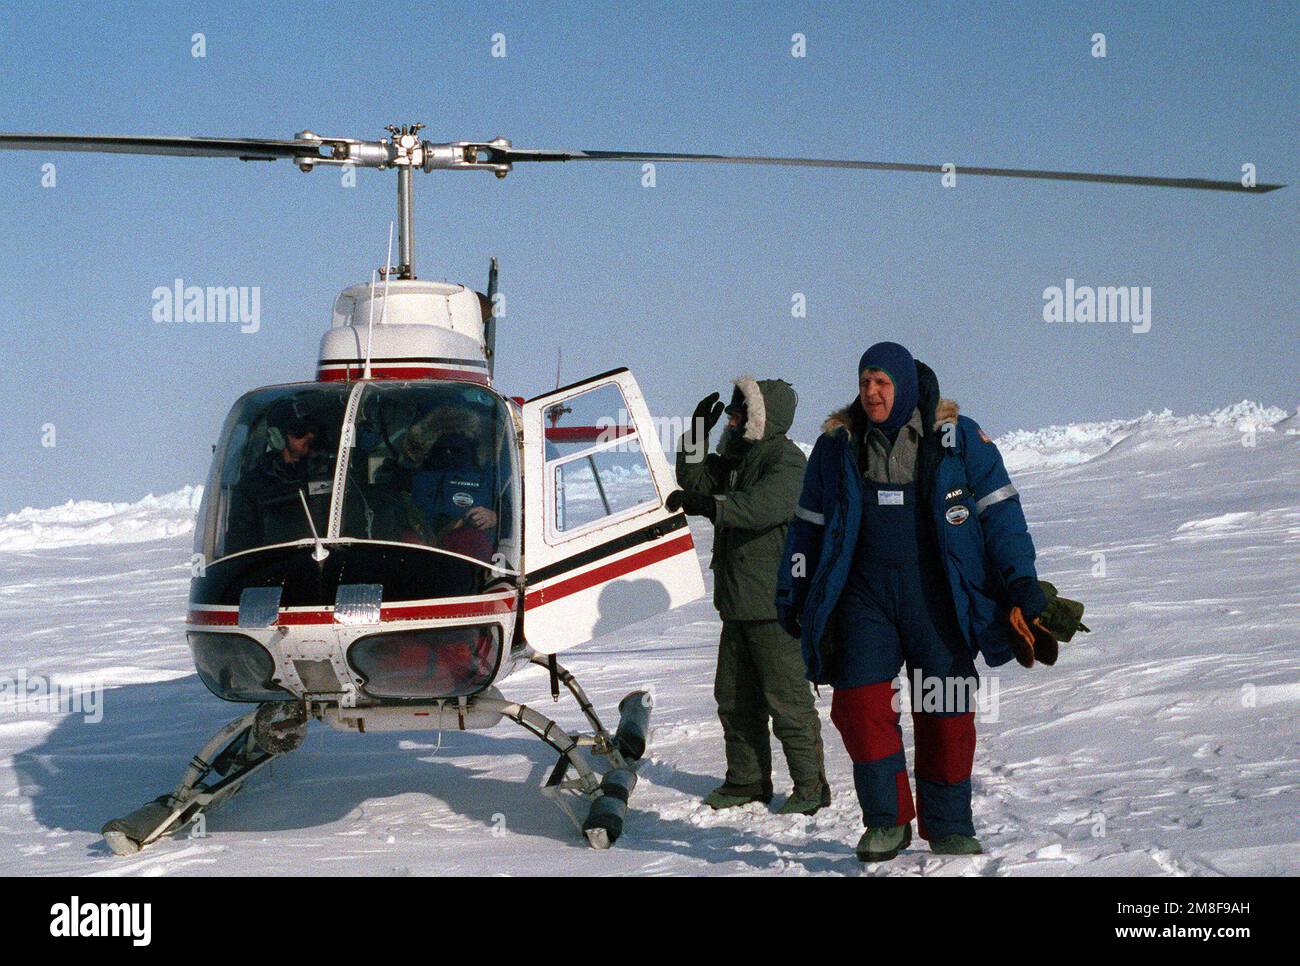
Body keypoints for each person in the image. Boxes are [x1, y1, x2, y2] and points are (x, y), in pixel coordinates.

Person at [776, 342, 1048, 861]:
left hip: (936, 594)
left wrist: (1022, 584)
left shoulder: (958, 440)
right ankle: (887, 821)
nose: (872, 393)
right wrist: (793, 589)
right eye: (864, 383)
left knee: (944, 706)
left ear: (901, 384)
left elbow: (1001, 515)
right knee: (857, 705)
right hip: (865, 598)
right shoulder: (837, 446)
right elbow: (807, 527)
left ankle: (948, 825)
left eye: (882, 382)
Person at [667, 377, 830, 815]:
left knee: (788, 703)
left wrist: (714, 507)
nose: (733, 419)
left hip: (774, 607)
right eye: (733, 412)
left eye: (740, 412)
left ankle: (811, 788)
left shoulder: (787, 461)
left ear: (761, 417)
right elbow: (696, 479)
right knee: (735, 699)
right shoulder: (739, 458)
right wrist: (697, 436)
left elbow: (762, 507)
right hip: (737, 603)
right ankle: (747, 781)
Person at [225, 398, 332, 554]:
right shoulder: (253, 484)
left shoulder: (328, 473)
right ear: (277, 436)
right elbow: (239, 542)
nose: (309, 436)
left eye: (311, 430)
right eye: (299, 431)